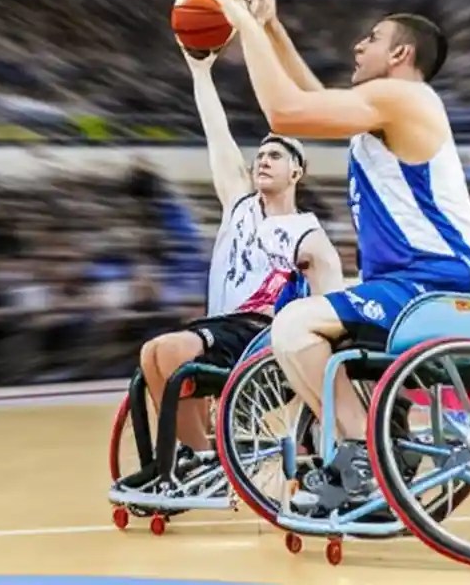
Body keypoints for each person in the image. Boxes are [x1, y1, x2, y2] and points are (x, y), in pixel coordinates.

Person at [204, 0, 470, 507]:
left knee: (294, 325)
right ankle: (374, 443)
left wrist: (243, 25)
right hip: (412, 285)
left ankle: (365, 451)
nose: (358, 46)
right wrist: (271, 27)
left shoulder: (406, 99)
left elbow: (286, 111)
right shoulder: (387, 111)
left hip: (436, 283)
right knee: (299, 328)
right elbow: (312, 96)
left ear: (400, 54)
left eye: (372, 38)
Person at [120, 44, 345, 488]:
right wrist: (200, 72)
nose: (263, 160)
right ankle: (196, 453)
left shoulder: (307, 233)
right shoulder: (239, 205)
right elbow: (216, 133)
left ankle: (202, 462)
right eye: (259, 155)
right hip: (220, 328)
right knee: (151, 354)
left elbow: (331, 300)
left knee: (168, 350)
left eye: (275, 155)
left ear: (297, 171)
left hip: (259, 336)